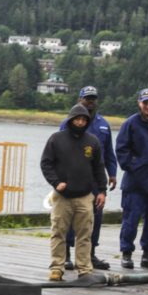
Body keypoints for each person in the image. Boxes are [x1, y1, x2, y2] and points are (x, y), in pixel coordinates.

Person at [41, 104, 107, 281]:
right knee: (58, 232)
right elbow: (46, 163)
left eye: (83, 119)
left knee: (85, 235)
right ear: (70, 120)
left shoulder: (93, 141)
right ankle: (57, 267)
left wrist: (102, 190)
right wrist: (56, 182)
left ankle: (84, 269)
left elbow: (99, 168)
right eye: (77, 119)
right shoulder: (56, 139)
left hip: (85, 196)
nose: (80, 122)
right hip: (62, 196)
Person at [59, 86, 116, 270]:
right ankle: (66, 254)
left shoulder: (103, 124)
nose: (90, 101)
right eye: (87, 98)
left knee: (95, 217)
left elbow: (109, 152)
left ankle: (90, 255)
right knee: (69, 216)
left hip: (94, 179)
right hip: (72, 178)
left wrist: (112, 173)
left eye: (93, 98)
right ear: (79, 99)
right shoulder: (68, 123)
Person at [115, 88, 148, 269]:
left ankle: (147, 254)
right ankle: (126, 253)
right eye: (144, 102)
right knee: (131, 220)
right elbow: (122, 151)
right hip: (135, 183)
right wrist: (135, 167)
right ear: (139, 103)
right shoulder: (130, 124)